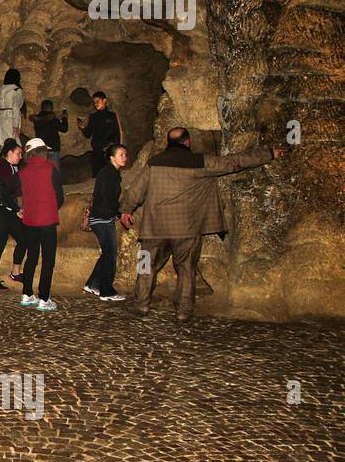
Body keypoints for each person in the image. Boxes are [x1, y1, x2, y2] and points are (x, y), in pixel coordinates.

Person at [120, 127, 285, 322]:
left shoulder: (154, 163)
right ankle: (183, 311)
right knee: (186, 269)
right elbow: (233, 162)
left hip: (154, 228)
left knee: (146, 265)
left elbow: (136, 191)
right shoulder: (200, 162)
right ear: (187, 142)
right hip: (186, 229)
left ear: (168, 142)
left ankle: (141, 305)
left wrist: (126, 210)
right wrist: (268, 153)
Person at [16, 137, 64, 311]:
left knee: (32, 257)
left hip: (29, 221)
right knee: (48, 260)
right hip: (47, 220)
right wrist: (52, 207)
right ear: (43, 151)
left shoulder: (23, 171)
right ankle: (44, 298)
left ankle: (27, 293)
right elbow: (59, 196)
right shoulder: (51, 168)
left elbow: (19, 194)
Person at [84, 143, 129, 301]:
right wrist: (117, 212)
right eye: (121, 155)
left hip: (102, 217)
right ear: (112, 157)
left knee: (107, 254)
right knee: (110, 254)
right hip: (103, 218)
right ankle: (106, 291)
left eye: (125, 154)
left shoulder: (110, 172)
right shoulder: (109, 173)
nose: (125, 157)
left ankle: (93, 284)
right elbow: (107, 197)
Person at [0, 138, 27, 290]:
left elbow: (11, 192)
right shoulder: (2, 165)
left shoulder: (11, 167)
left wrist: (16, 209)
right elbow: (7, 189)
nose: (20, 156)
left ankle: (15, 272)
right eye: (18, 153)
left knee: (23, 239)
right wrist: (16, 209)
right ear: (9, 153)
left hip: (7, 209)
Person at [77, 91, 123, 175]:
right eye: (94, 102)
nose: (95, 104)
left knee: (111, 174)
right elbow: (88, 134)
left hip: (109, 150)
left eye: (97, 101)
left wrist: (119, 149)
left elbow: (118, 133)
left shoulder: (112, 115)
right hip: (97, 151)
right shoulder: (93, 117)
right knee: (98, 175)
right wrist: (83, 128)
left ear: (104, 101)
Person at [0, 68, 25, 153]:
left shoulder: (1, 89)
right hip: (11, 117)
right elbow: (15, 108)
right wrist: (15, 125)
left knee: (1, 141)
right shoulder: (17, 90)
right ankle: (12, 164)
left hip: (1, 117)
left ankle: (3, 162)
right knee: (12, 143)